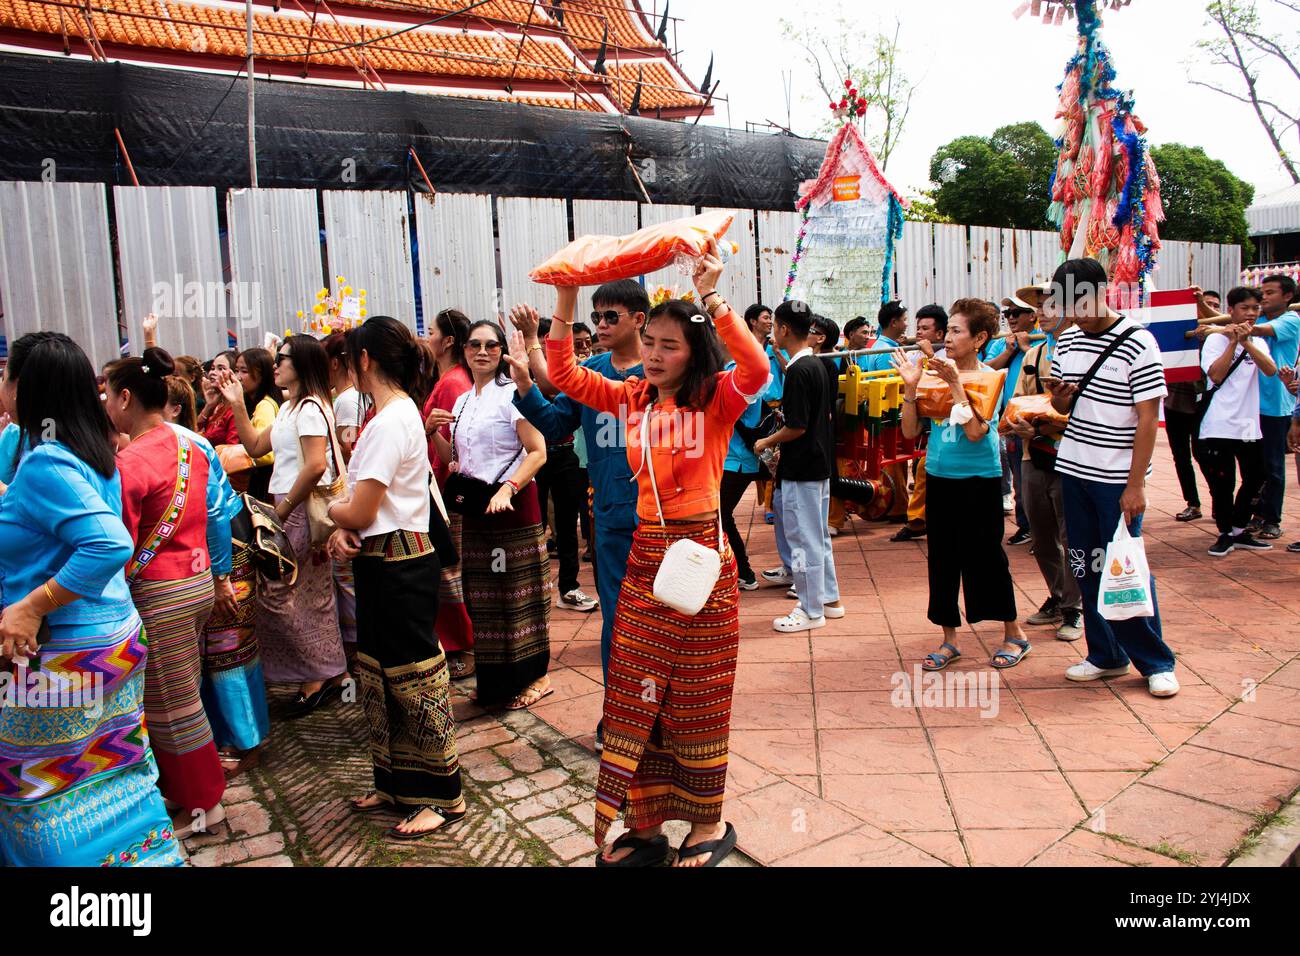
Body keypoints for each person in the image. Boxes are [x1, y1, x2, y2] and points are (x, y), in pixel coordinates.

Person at [545, 238, 767, 867]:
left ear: (694, 352)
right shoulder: (632, 397)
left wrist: (712, 294)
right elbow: (562, 374)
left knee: (697, 693)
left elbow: (756, 371)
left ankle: (706, 825)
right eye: (651, 343)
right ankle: (644, 824)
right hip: (646, 559)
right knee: (639, 692)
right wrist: (565, 295)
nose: (655, 355)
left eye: (671, 346)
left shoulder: (717, 400)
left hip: (701, 565)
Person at [0, 333, 185, 866]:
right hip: (113, 642)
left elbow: (109, 542)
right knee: (116, 767)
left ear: (27, 388)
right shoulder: (91, 452)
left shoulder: (47, 463)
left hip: (63, 653)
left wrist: (33, 605)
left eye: (7, 373)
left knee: (35, 786)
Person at [328, 317, 466, 839]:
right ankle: (393, 782)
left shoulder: (391, 420)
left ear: (364, 360)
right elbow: (364, 509)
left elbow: (360, 508)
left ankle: (442, 794)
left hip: (401, 564)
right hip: (382, 561)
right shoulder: (393, 414)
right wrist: (346, 522)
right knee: (379, 672)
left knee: (415, 676)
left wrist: (332, 516)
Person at [106, 349, 238, 835]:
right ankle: (189, 790)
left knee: (170, 703)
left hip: (161, 594)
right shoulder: (189, 445)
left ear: (125, 398)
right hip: (197, 583)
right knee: (182, 696)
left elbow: (120, 540)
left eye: (107, 393)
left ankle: (202, 804)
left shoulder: (131, 460)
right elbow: (215, 513)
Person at [510, 281, 647, 746]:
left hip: (666, 519)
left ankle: (663, 718)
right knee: (618, 619)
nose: (602, 325)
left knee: (667, 620)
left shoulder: (665, 369)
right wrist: (527, 386)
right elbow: (552, 423)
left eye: (612, 316)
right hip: (610, 518)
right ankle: (619, 717)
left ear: (639, 320)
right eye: (598, 316)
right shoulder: (589, 372)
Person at [1044, 257, 1179, 697]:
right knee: (1085, 565)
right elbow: (1063, 409)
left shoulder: (1139, 342)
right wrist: (1061, 399)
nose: (1075, 314)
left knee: (1124, 567)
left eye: (1079, 303)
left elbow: (1147, 419)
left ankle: (1156, 662)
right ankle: (1105, 655)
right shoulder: (1066, 342)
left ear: (1101, 292)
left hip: (1117, 478)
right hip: (1074, 470)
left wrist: (1135, 484)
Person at [894, 300, 1030, 671]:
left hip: (979, 479)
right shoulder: (931, 374)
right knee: (942, 558)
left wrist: (955, 384)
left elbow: (974, 433)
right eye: (947, 330)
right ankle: (949, 639)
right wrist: (911, 388)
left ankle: (1013, 633)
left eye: (956, 331)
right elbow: (909, 432)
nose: (946, 338)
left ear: (979, 338)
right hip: (939, 476)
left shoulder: (990, 378)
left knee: (986, 556)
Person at [218, 336, 348, 715]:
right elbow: (257, 445)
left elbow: (316, 465)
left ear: (303, 364)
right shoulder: (289, 406)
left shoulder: (309, 408)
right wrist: (238, 405)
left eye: (283, 359)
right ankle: (328, 673)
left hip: (301, 509)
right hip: (288, 507)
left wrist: (284, 509)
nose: (276, 365)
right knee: (303, 595)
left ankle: (320, 675)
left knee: (286, 595)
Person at [432, 320, 551, 710]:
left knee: (519, 598)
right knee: (483, 600)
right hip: (479, 513)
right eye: (474, 345)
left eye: (491, 345)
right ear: (464, 350)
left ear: (502, 351)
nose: (481, 352)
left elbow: (538, 451)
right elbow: (458, 461)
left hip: (514, 510)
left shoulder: (511, 395)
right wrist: (433, 432)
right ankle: (497, 684)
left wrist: (509, 488)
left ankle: (535, 678)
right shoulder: (463, 400)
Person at [1002, 282, 1084, 642]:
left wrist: (1049, 420)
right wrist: (1022, 426)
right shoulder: (1034, 355)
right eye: (1042, 307)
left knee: (1074, 536)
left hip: (1073, 458)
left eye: (1053, 306)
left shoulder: (1084, 352)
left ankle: (1074, 607)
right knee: (1042, 535)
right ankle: (1058, 595)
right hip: (1033, 456)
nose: (1045, 313)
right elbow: (1019, 400)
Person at [757, 302, 845, 631]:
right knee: (817, 537)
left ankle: (810, 609)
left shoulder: (799, 370)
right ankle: (829, 600)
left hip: (801, 467)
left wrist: (766, 442)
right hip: (818, 465)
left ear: (782, 329)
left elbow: (796, 426)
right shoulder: (817, 364)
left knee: (802, 541)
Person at [507, 307, 598, 615]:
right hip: (530, 459)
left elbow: (555, 393)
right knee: (535, 525)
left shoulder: (568, 373)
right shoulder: (519, 372)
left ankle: (569, 587)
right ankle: (530, 591)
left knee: (567, 523)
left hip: (565, 455)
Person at [1196, 287, 1276, 556]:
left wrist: (1247, 342)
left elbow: (1270, 370)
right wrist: (1232, 342)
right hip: (1218, 424)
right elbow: (1216, 376)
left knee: (1257, 477)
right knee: (1223, 484)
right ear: (1231, 310)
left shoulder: (1258, 341)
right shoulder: (1215, 340)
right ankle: (1224, 532)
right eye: (1245, 308)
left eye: (1256, 308)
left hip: (1248, 424)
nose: (1251, 313)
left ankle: (1240, 528)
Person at [420, 308, 476, 679]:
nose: (426, 338)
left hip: (448, 489)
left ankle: (464, 646)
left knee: (450, 571)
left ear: (448, 341)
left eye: (430, 331)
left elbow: (459, 444)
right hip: (438, 485)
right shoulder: (445, 379)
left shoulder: (454, 382)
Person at [1246, 274, 1300, 540]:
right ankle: (1256, 512)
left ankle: (1272, 519)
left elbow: (1257, 330)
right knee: (1254, 466)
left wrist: (1236, 324)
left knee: (1274, 466)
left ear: (1288, 296)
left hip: (1277, 405)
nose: (1264, 297)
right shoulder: (1260, 318)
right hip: (1252, 403)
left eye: (1270, 293)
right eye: (1262, 293)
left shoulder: (1291, 320)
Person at [324, 331, 364, 664]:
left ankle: (355, 650)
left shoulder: (347, 400)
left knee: (349, 582)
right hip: (353, 495)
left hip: (352, 495)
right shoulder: (345, 397)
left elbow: (350, 449)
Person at [894, 304, 949, 542]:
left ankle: (918, 520)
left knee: (925, 470)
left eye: (925, 328)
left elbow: (946, 384)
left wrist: (930, 356)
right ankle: (919, 519)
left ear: (939, 334)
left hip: (947, 425)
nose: (919, 332)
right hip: (922, 421)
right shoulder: (914, 354)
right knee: (921, 469)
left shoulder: (946, 355)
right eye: (918, 328)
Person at [986, 296, 1039, 544]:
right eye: (1008, 314)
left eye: (1018, 312)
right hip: (1012, 421)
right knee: (1019, 475)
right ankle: (1026, 525)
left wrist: (1028, 349)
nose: (1012, 318)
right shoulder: (1002, 344)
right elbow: (987, 370)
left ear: (1033, 315)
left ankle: (1042, 531)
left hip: (1040, 420)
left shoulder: (1042, 340)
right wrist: (1010, 350)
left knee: (1039, 477)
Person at [1164, 289, 1219, 522]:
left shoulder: (1220, 335)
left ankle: (1219, 500)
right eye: (1204, 304)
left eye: (1214, 306)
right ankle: (1193, 503)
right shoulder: (1177, 330)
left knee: (1204, 454)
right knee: (1181, 456)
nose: (1208, 309)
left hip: (1203, 406)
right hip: (1175, 403)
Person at [232, 348, 281, 500]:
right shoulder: (254, 402)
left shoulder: (264, 406)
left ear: (261, 374)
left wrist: (231, 454)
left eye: (244, 371)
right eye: (236, 370)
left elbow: (265, 455)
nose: (238, 377)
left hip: (263, 484)